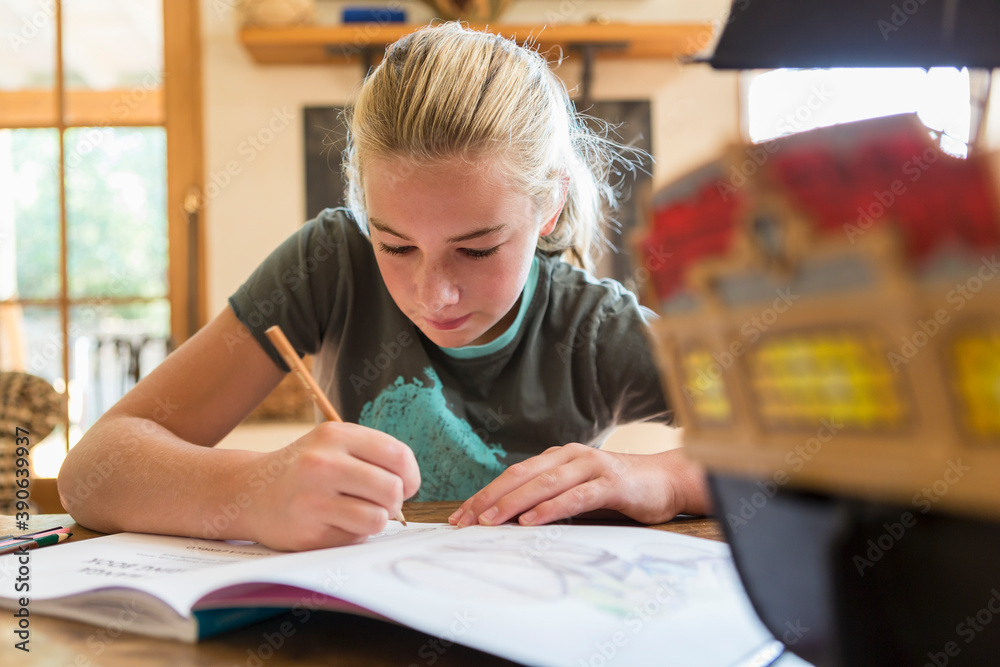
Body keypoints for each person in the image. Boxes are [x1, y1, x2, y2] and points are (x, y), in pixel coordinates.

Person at [58, 22, 710, 552]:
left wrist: (667, 478)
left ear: (549, 206)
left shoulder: (592, 328)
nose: (435, 294)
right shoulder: (333, 261)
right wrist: (254, 489)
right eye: (395, 244)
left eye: (477, 248)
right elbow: (93, 471)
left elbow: (810, 442)